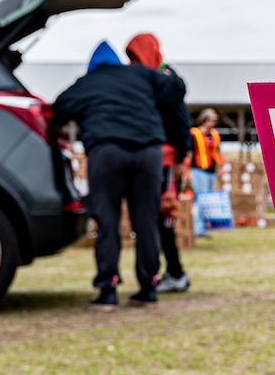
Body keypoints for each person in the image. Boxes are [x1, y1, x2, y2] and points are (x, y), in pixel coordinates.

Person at [52, 40, 187, 309]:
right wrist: (165, 69)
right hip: (148, 153)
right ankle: (148, 288)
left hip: (107, 151)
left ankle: (108, 289)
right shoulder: (142, 75)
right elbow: (176, 90)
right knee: (147, 221)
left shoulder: (87, 83)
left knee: (108, 220)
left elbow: (58, 110)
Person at [124, 33, 193, 293]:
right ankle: (173, 271)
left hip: (166, 159)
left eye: (135, 57)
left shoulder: (167, 83)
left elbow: (181, 122)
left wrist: (180, 158)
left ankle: (176, 272)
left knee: (162, 217)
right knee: (154, 218)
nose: (132, 64)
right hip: (152, 157)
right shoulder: (149, 81)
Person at [188, 108, 224, 237]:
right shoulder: (194, 133)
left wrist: (220, 168)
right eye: (211, 120)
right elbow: (190, 153)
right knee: (200, 199)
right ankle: (197, 229)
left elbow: (217, 153)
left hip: (211, 172)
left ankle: (202, 228)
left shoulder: (215, 134)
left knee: (207, 200)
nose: (213, 123)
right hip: (198, 170)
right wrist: (187, 172)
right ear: (204, 120)